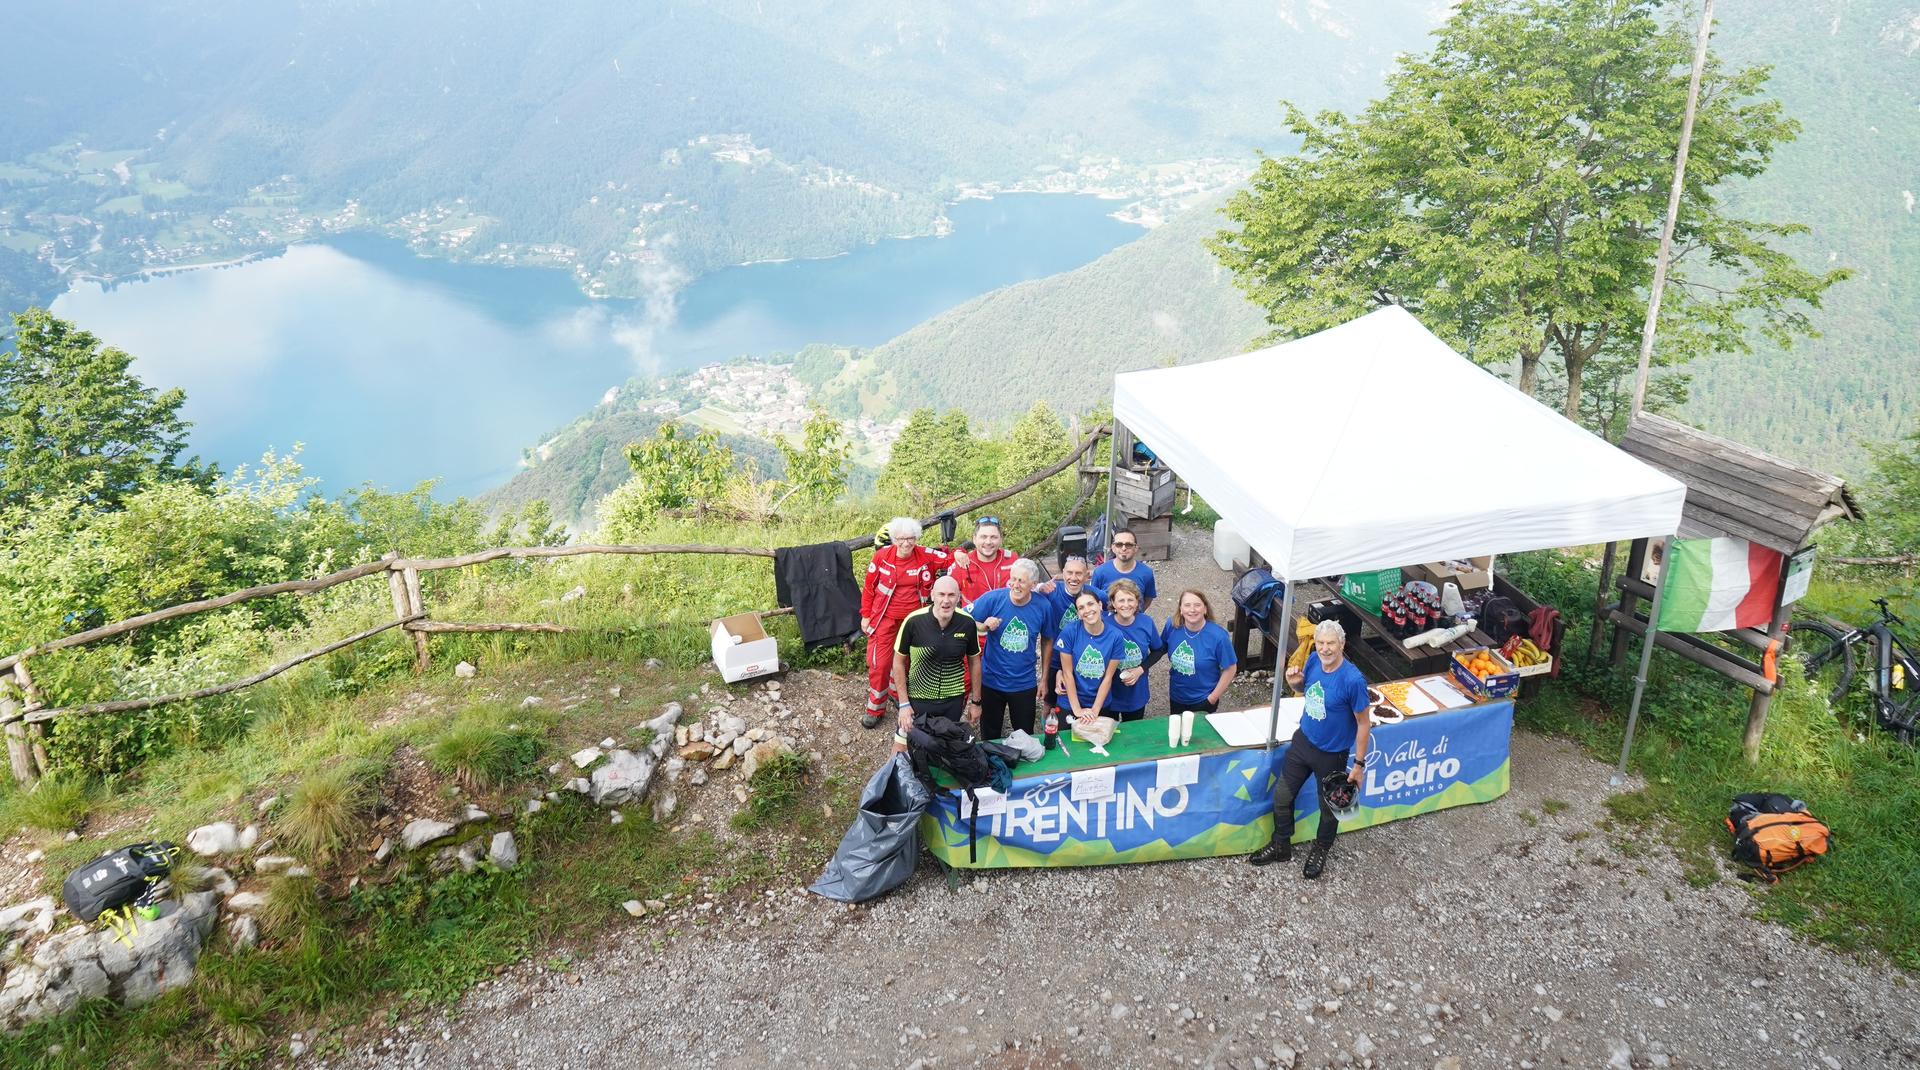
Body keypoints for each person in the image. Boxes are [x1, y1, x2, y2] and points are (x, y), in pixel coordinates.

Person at [1249, 619, 1373, 879]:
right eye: (1320, 642)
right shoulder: (1314, 660)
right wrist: (1293, 682)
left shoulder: (1353, 680)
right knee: (1282, 797)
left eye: (1331, 643)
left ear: (1342, 644)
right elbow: (1307, 692)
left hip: (1332, 754)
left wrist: (1359, 765)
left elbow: (1364, 723)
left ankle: (1321, 848)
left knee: (1331, 809)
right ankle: (1282, 844)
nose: (1325, 649)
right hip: (1303, 741)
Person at [860, 517, 956, 728]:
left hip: (914, 621)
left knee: (909, 661)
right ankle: (875, 708)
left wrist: (961, 554)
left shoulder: (925, 555)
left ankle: (897, 693)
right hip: (884, 618)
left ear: (916, 538)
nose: (906, 544)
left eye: (911, 539)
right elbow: (869, 587)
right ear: (894, 539)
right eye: (901, 539)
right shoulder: (882, 557)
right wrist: (865, 615)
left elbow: (951, 559)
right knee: (880, 663)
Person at [889, 576, 982, 754]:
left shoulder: (967, 623)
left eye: (951, 595)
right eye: (941, 594)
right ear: (932, 595)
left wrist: (976, 702)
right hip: (918, 700)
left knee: (945, 748)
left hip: (952, 700)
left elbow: (975, 662)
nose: (946, 601)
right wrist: (903, 704)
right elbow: (898, 661)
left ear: (958, 597)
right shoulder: (913, 621)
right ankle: (898, 780)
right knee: (902, 747)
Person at [968, 558, 1055, 740]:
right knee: (990, 735)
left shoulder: (1043, 606)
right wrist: (983, 626)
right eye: (1013, 579)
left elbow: (1047, 640)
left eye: (1021, 581)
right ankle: (992, 767)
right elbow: (963, 618)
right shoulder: (994, 598)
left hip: (1024, 683)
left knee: (1024, 736)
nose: (1015, 585)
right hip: (991, 680)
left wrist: (1044, 678)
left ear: (1033, 584)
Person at [1161, 590, 1239, 745]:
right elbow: (1160, 648)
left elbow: (1230, 668)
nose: (1192, 609)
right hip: (1177, 694)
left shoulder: (1218, 636)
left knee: (1197, 740)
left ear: (1205, 609)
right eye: (1187, 605)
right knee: (1176, 736)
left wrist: (1212, 698)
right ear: (1181, 609)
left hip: (1203, 698)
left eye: (1197, 605)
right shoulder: (1172, 626)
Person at [1039, 556, 1107, 714]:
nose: (1073, 578)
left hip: (1082, 660)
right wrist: (1039, 587)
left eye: (1078, 573)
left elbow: (1114, 613)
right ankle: (1048, 733)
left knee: (1077, 700)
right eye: (1069, 573)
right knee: (1049, 702)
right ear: (1063, 573)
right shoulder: (1051, 591)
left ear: (1087, 575)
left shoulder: (1097, 596)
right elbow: (1023, 591)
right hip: (1055, 657)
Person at [1053, 589, 1124, 727]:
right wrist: (1077, 710)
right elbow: (1067, 673)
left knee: (1097, 744)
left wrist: (1095, 710)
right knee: (1066, 743)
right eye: (1081, 607)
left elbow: (1108, 677)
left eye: (1090, 604)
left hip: (1099, 701)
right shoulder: (1070, 632)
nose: (1087, 610)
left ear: (1100, 605)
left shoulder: (1116, 636)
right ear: (1078, 614)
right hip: (1070, 702)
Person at [1101, 579, 1164, 724]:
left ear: (1137, 602)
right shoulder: (1104, 624)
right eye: (1121, 600)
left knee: (1132, 732)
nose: (1126, 604)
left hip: (1136, 692)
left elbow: (1158, 650)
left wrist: (1139, 670)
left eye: (1130, 599)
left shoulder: (1146, 622)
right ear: (1113, 603)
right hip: (1109, 692)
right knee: (1110, 732)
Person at [950, 516, 1021, 605]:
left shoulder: (1012, 559)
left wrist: (1040, 587)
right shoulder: (962, 563)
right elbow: (945, 596)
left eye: (994, 537)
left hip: (1007, 615)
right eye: (983, 537)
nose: (988, 542)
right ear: (974, 539)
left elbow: (1026, 587)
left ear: (1001, 540)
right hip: (973, 617)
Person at [1091, 527, 1158, 612]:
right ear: (1113, 548)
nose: (1123, 548)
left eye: (1128, 545)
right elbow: (1092, 598)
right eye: (1119, 544)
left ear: (1136, 548)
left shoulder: (1147, 573)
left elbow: (1148, 599)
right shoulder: (1100, 572)